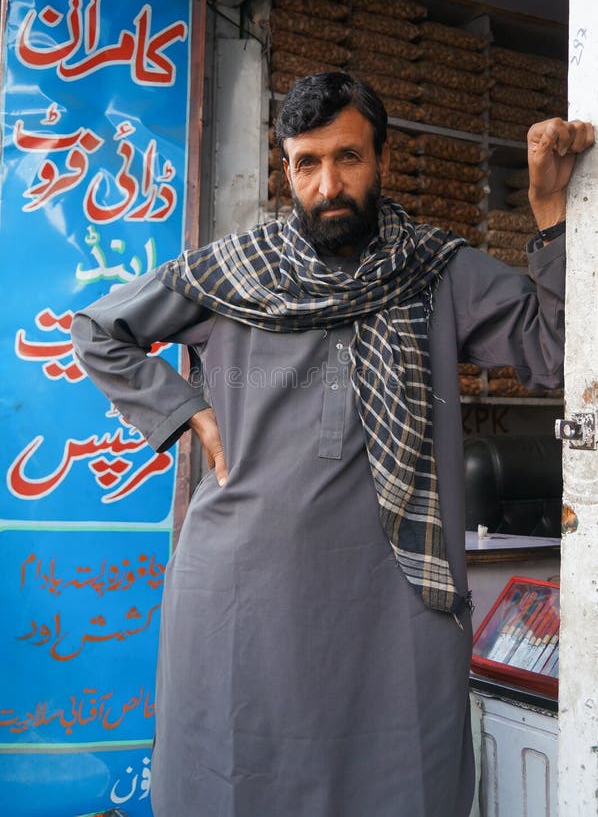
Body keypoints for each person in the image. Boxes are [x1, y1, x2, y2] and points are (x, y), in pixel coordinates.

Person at [71, 72, 594, 817]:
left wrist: (551, 218)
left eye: (348, 158)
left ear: (381, 158)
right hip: (239, 598)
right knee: (232, 780)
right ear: (285, 169)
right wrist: (188, 412)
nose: (329, 184)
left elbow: (559, 350)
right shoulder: (234, 273)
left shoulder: (435, 272)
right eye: (307, 163)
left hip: (395, 598)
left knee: (403, 780)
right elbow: (97, 330)